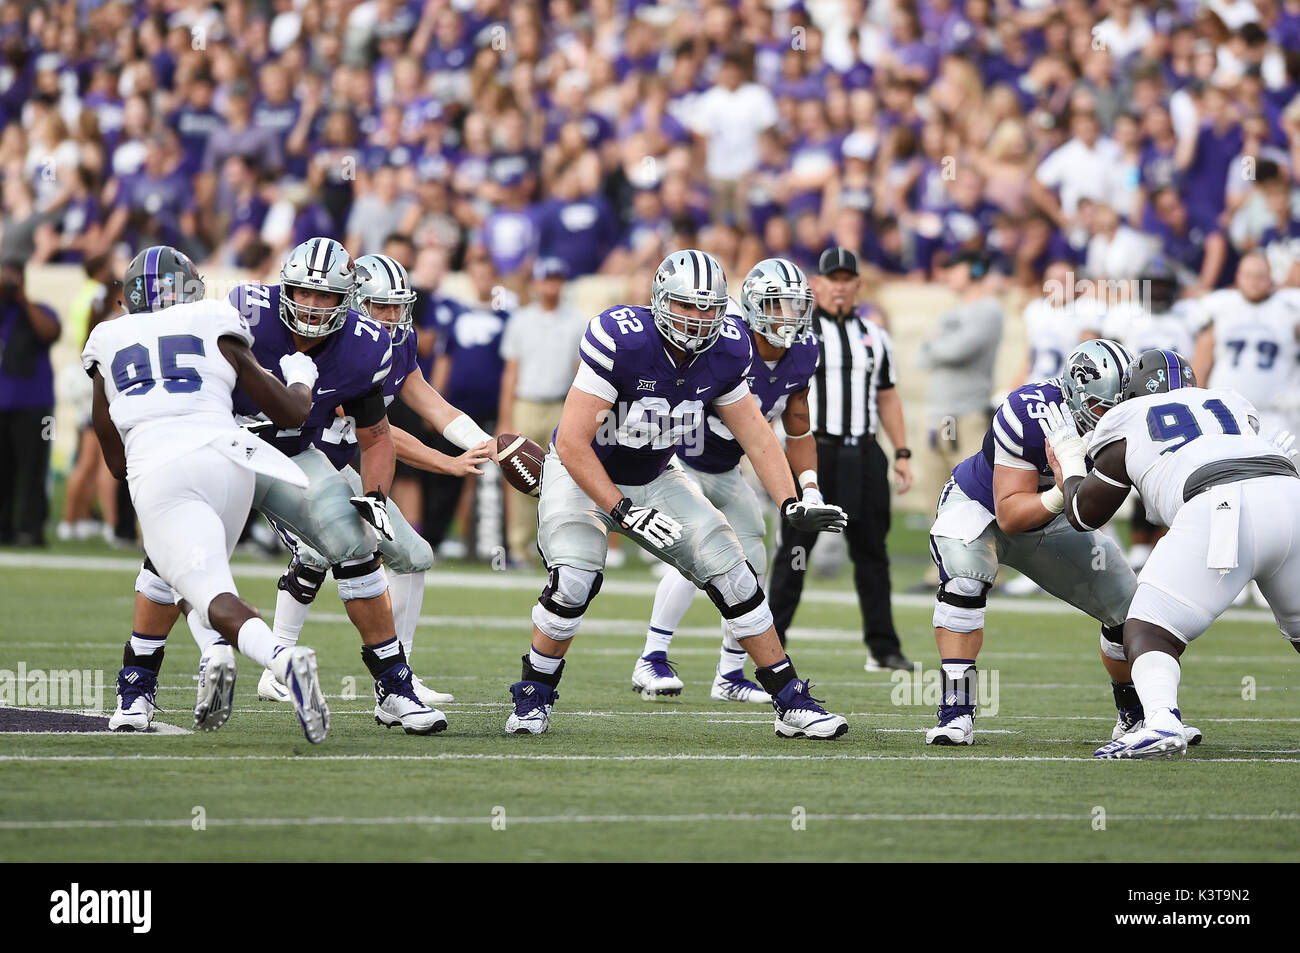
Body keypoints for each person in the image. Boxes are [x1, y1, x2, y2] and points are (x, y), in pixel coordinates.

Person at [507, 248, 851, 739]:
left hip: (654, 474)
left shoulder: (729, 348)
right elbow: (572, 442)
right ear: (660, 300)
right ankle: (533, 695)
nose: (698, 319)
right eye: (687, 306)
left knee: (734, 574)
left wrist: (792, 502)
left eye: (709, 308)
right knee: (575, 581)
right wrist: (623, 511)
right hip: (583, 473)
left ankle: (791, 701)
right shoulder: (621, 339)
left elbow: (756, 433)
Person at [108, 238, 443, 736]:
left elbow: (376, 436)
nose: (310, 305)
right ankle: (136, 691)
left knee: (355, 539)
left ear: (346, 299)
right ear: (283, 287)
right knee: (169, 560)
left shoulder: (365, 343)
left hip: (292, 457)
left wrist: (374, 496)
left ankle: (395, 688)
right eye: (302, 293)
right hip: (223, 446)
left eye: (325, 296)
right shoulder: (244, 312)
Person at [82, 245, 328, 742]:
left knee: (204, 584)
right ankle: (209, 658)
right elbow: (289, 412)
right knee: (195, 573)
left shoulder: (106, 338)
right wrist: (302, 380)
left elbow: (112, 457)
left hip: (162, 466)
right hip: (233, 459)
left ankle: (282, 659)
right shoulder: (214, 317)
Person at [925, 339, 1200, 747]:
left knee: (1129, 613)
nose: (1110, 418)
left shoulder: (1128, 419)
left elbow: (1101, 509)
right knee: (965, 583)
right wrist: (1063, 489)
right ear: (1074, 393)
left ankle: (1136, 715)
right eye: (1101, 408)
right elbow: (1011, 516)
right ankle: (956, 712)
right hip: (982, 508)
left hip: (1058, 517)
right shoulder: (1029, 412)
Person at [256, 252, 495, 710]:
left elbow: (433, 406)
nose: (392, 317)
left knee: (414, 554)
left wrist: (489, 444)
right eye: (380, 306)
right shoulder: (335, 344)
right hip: (306, 464)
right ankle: (277, 663)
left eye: (397, 306)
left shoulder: (395, 343)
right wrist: (446, 463)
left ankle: (398, 670)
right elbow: (382, 432)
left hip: (348, 468)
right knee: (316, 552)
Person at [1052, 349, 1297, 758]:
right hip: (1290, 491)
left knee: (1149, 628)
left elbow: (1083, 514)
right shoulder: (1230, 402)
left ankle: (1162, 721)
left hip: (1220, 503)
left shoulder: (1125, 418)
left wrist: (1070, 461)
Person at [634, 257, 822, 703]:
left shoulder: (805, 353)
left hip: (729, 468)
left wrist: (809, 489)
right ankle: (652, 657)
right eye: (777, 306)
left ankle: (729, 674)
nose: (788, 317)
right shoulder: (726, 341)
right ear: (754, 306)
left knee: (752, 557)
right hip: (683, 460)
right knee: (697, 552)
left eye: (796, 307)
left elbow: (798, 427)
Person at [768, 247, 915, 671]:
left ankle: (883, 647)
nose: (839, 286)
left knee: (872, 552)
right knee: (794, 551)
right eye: (832, 279)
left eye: (847, 279)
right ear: (817, 285)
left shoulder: (874, 335)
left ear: (857, 286)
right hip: (812, 450)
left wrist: (901, 452)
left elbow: (887, 395)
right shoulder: (796, 333)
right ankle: (771, 647)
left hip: (863, 452)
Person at [497, 257, 586, 562]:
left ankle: (556, 548)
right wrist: (506, 418)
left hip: (561, 405)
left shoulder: (576, 321)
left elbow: (580, 375)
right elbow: (511, 373)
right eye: (546, 279)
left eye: (556, 279)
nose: (551, 285)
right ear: (535, 284)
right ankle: (519, 548)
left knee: (562, 479)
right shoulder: (520, 320)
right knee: (519, 475)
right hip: (527, 403)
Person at [1190, 252, 1300, 441]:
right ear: (1238, 277)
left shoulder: (1290, 307)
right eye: (1248, 276)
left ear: (1270, 278)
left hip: (1276, 413)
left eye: (1260, 276)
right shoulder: (1220, 306)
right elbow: (1203, 359)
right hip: (1225, 412)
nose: (1254, 282)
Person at [0, 261, 60, 545]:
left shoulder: (39, 309)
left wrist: (22, 298)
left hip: (36, 406)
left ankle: (30, 529)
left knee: (34, 468)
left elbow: (50, 332)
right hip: (3, 406)